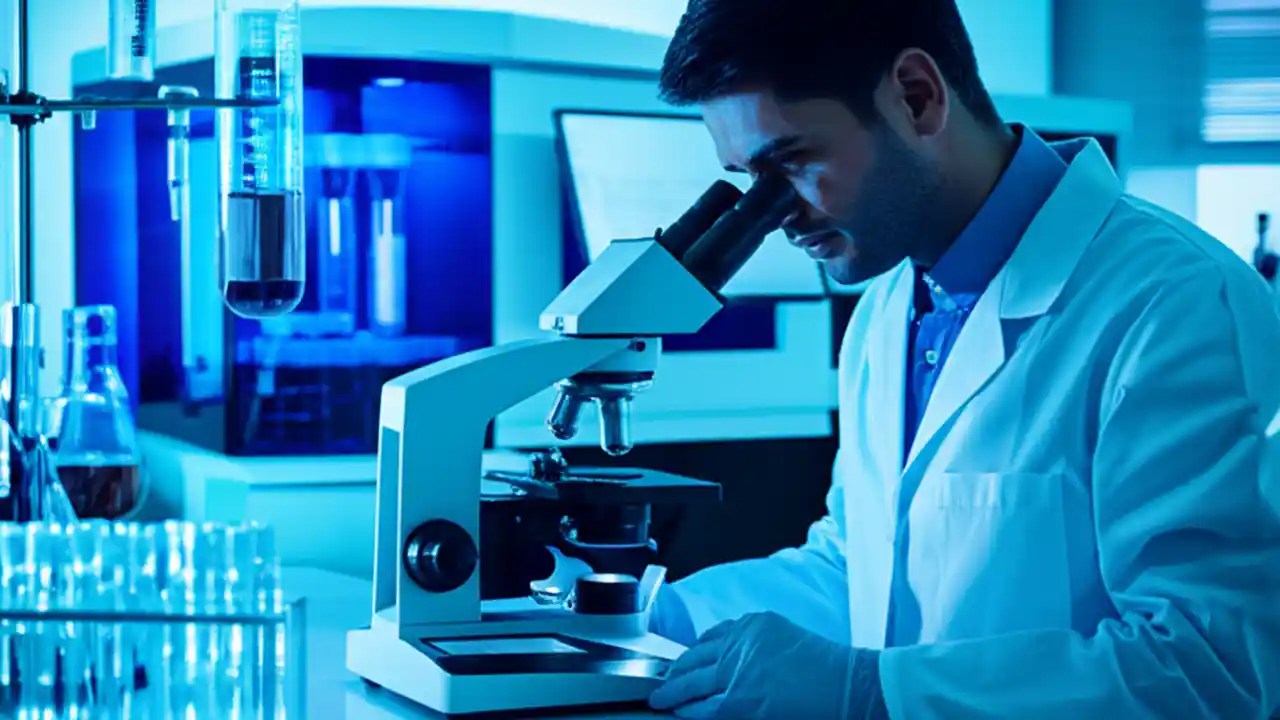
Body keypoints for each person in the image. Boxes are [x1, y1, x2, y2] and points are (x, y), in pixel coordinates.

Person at [644, 0, 1280, 718]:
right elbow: (861, 569)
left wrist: (876, 694)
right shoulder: (887, 308)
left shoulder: (1175, 303)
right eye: (744, 180)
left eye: (789, 162)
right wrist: (650, 621)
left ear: (916, 97)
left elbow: (1211, 668)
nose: (774, 215)